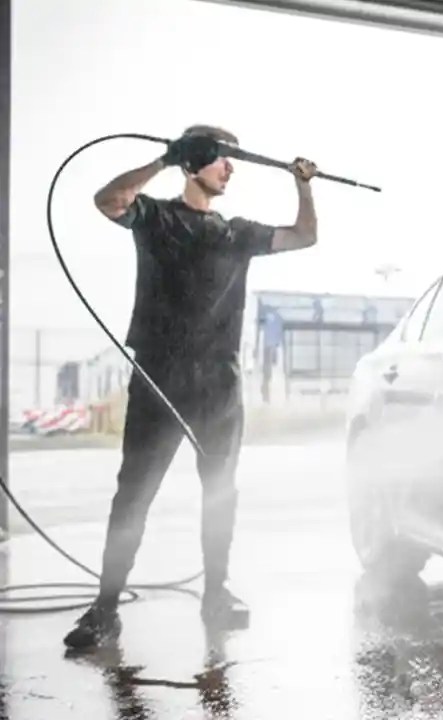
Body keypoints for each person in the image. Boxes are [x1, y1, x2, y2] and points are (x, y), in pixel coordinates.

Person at [63, 125, 320, 650]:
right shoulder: (155, 218)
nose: (231, 168)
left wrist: (303, 185)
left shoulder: (237, 233)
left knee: (220, 493)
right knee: (134, 494)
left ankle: (215, 594)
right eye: (221, 158)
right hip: (159, 378)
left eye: (232, 160)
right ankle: (105, 609)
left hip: (219, 384)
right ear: (193, 163)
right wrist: (164, 160)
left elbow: (304, 236)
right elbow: (109, 200)